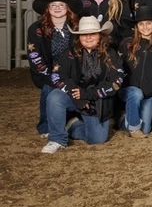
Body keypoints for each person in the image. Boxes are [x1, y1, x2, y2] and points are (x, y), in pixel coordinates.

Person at [42, 17, 125, 154]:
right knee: (54, 96)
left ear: (100, 35)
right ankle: (57, 139)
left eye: (92, 33)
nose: (88, 37)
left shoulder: (111, 54)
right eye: (84, 34)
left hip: (97, 101)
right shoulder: (69, 53)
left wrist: (88, 94)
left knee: (97, 139)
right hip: (75, 96)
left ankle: (72, 125)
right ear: (78, 37)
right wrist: (77, 96)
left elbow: (117, 82)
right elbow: (57, 76)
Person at [27, 0, 77, 137]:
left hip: (72, 70)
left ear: (68, 9)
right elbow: (35, 56)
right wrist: (52, 77)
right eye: (53, 5)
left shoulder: (77, 27)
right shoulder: (36, 29)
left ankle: (71, 118)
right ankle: (46, 126)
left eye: (61, 5)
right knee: (49, 88)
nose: (57, 8)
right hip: (47, 71)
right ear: (47, 9)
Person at [118, 8, 152, 137]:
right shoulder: (127, 44)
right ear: (136, 27)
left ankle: (124, 119)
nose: (145, 27)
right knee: (136, 93)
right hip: (129, 90)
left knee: (146, 129)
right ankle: (133, 128)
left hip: (149, 91)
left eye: (148, 23)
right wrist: (123, 82)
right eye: (141, 24)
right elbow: (117, 65)